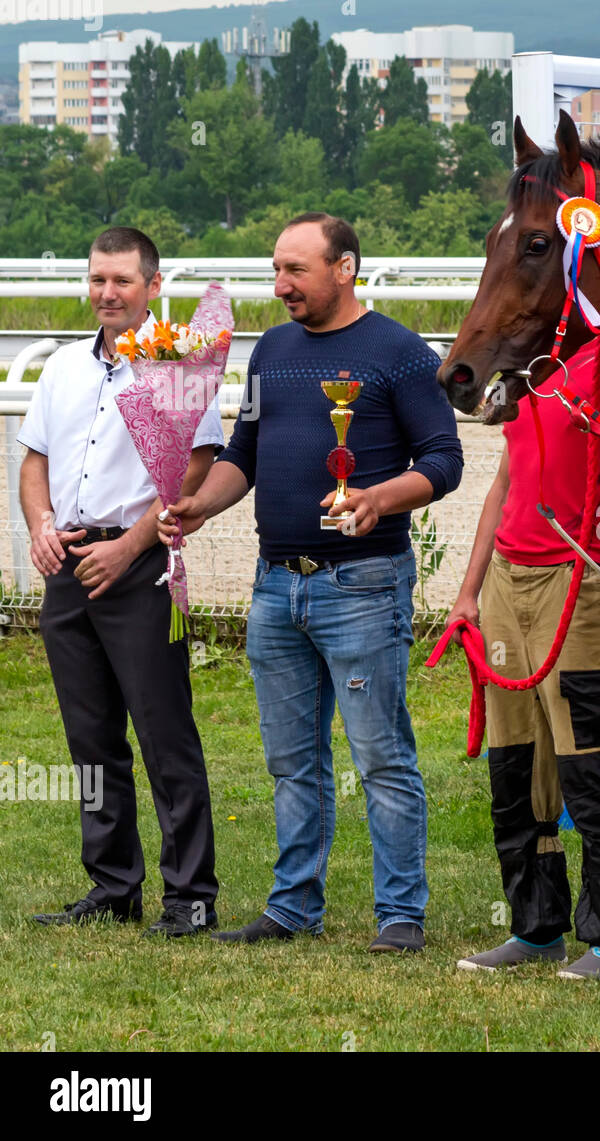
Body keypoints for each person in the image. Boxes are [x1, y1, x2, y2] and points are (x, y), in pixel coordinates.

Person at [160, 213, 463, 953]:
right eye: (276, 269)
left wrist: (375, 499)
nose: (281, 285)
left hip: (362, 583)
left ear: (347, 267)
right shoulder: (272, 350)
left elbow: (445, 459)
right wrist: (202, 502)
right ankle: (293, 906)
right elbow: (244, 452)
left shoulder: (398, 353)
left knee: (381, 757)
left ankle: (400, 915)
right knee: (291, 760)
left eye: (296, 270)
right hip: (275, 588)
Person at [448, 336, 600, 981]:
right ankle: (535, 929)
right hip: (504, 584)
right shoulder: (524, 371)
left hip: (578, 578)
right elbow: (504, 484)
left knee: (595, 760)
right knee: (517, 762)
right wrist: (468, 591)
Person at [20, 226, 222, 936]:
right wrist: (41, 525)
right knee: (90, 738)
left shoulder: (180, 360)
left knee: (165, 734)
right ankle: (112, 886)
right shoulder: (63, 366)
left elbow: (197, 468)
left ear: (153, 286)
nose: (108, 292)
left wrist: (132, 545)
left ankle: (191, 893)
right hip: (69, 570)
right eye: (98, 279)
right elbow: (34, 461)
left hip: (140, 570)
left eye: (123, 281)